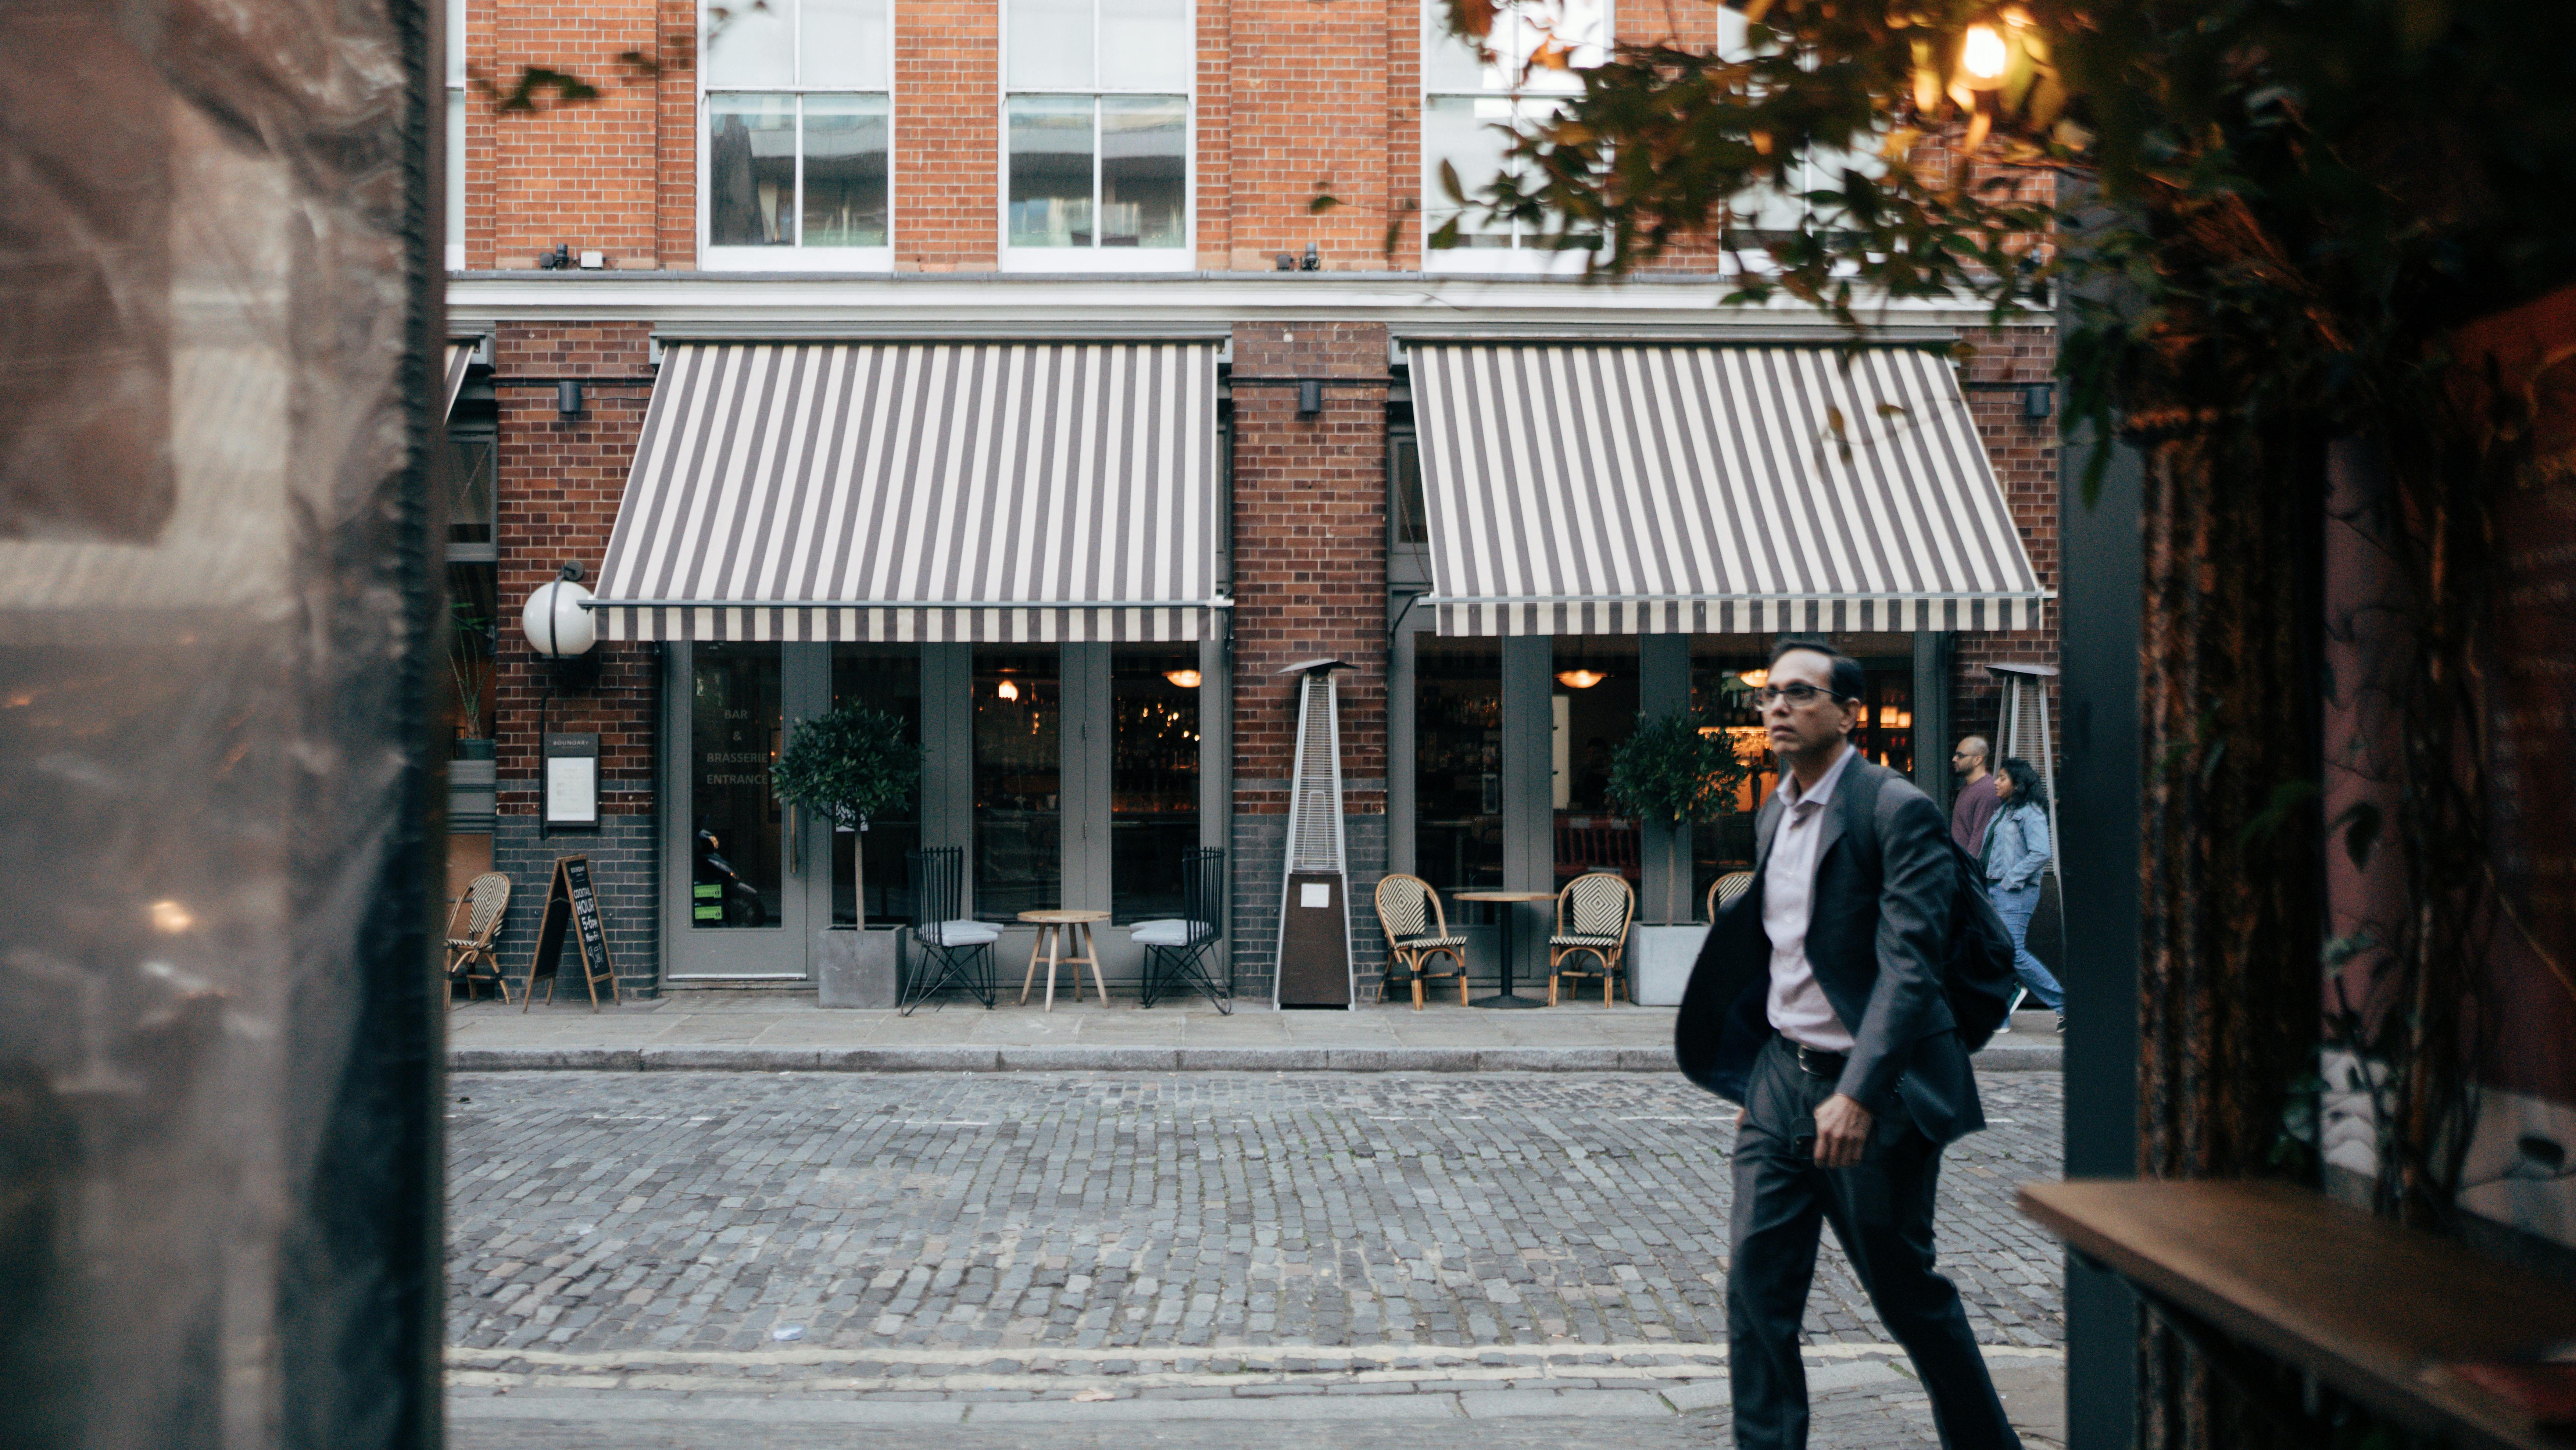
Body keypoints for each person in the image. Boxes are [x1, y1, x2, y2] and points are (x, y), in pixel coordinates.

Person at [1674, 639, 2021, 1450]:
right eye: (1769, 693)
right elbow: (1783, 958)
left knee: (1906, 1294)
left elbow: (1910, 965)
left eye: (1800, 692)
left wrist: (1858, 1092)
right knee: (1756, 1293)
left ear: (1848, 713)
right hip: (1781, 1081)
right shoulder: (1774, 810)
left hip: (1878, 1092)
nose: (1777, 706)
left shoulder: (1893, 809)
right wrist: (1757, 1083)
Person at [1983, 757, 2064, 1033]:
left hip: (2015, 892)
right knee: (1997, 953)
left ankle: (2066, 1006)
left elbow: (2041, 853)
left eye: (2002, 778)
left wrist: (2011, 879)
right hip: (1994, 888)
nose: (1996, 782)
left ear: (2017, 784)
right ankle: (2001, 1015)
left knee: (2013, 952)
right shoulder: (2005, 811)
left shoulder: (2031, 813)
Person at [1949, 735, 1999, 857]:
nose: (1955, 759)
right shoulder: (1967, 787)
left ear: (1978, 760)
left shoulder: (1988, 790)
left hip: (1970, 865)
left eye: (1961, 756)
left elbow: (1980, 840)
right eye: (1956, 755)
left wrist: (1968, 866)